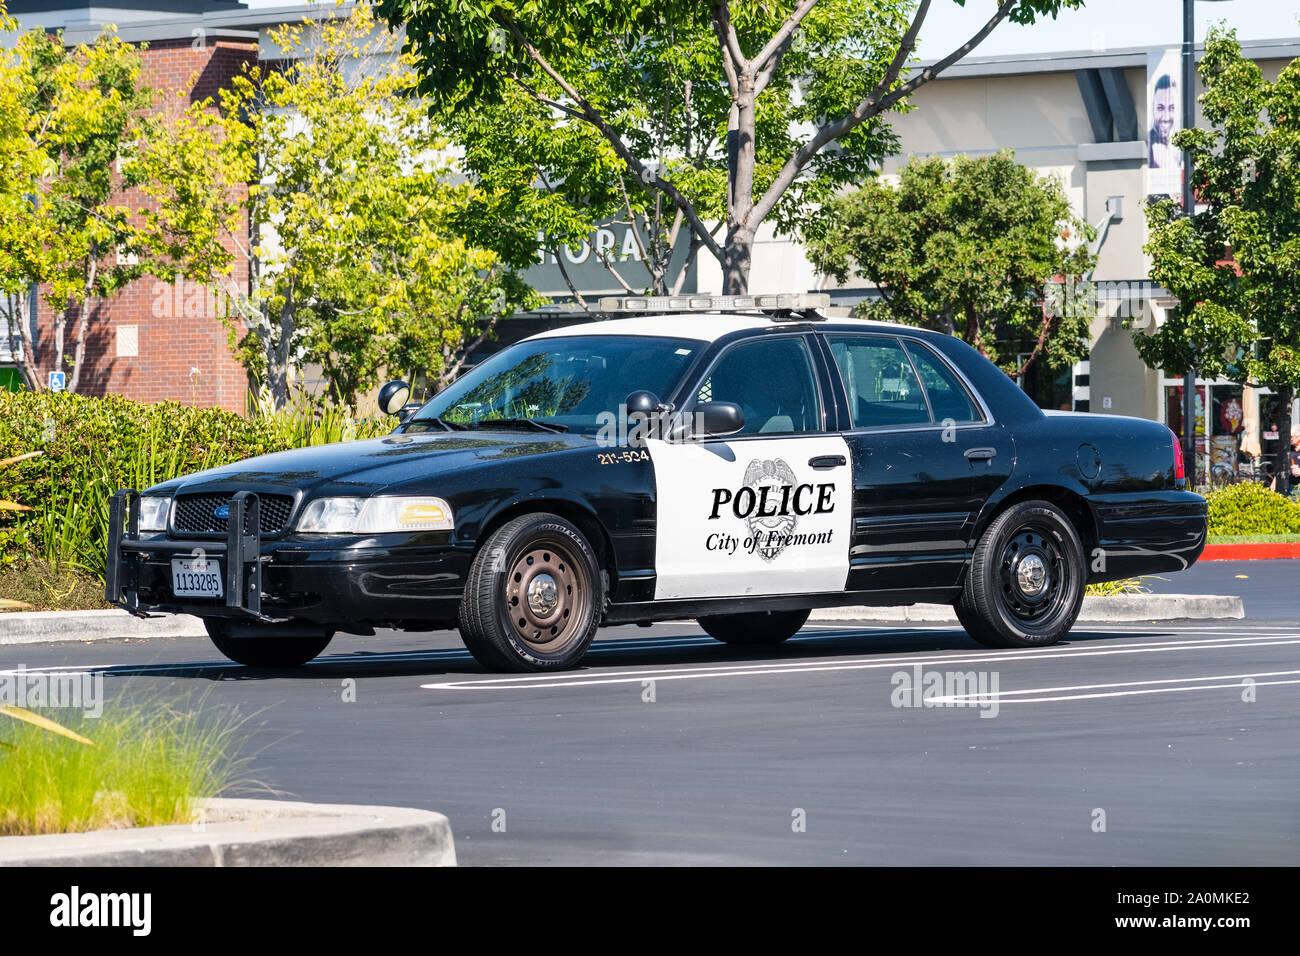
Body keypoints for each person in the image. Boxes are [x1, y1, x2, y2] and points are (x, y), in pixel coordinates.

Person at [1149, 74, 1179, 170]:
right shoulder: (1150, 146)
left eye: (1171, 108)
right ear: (1153, 108)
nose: (1166, 117)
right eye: (1160, 108)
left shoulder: (1183, 144)